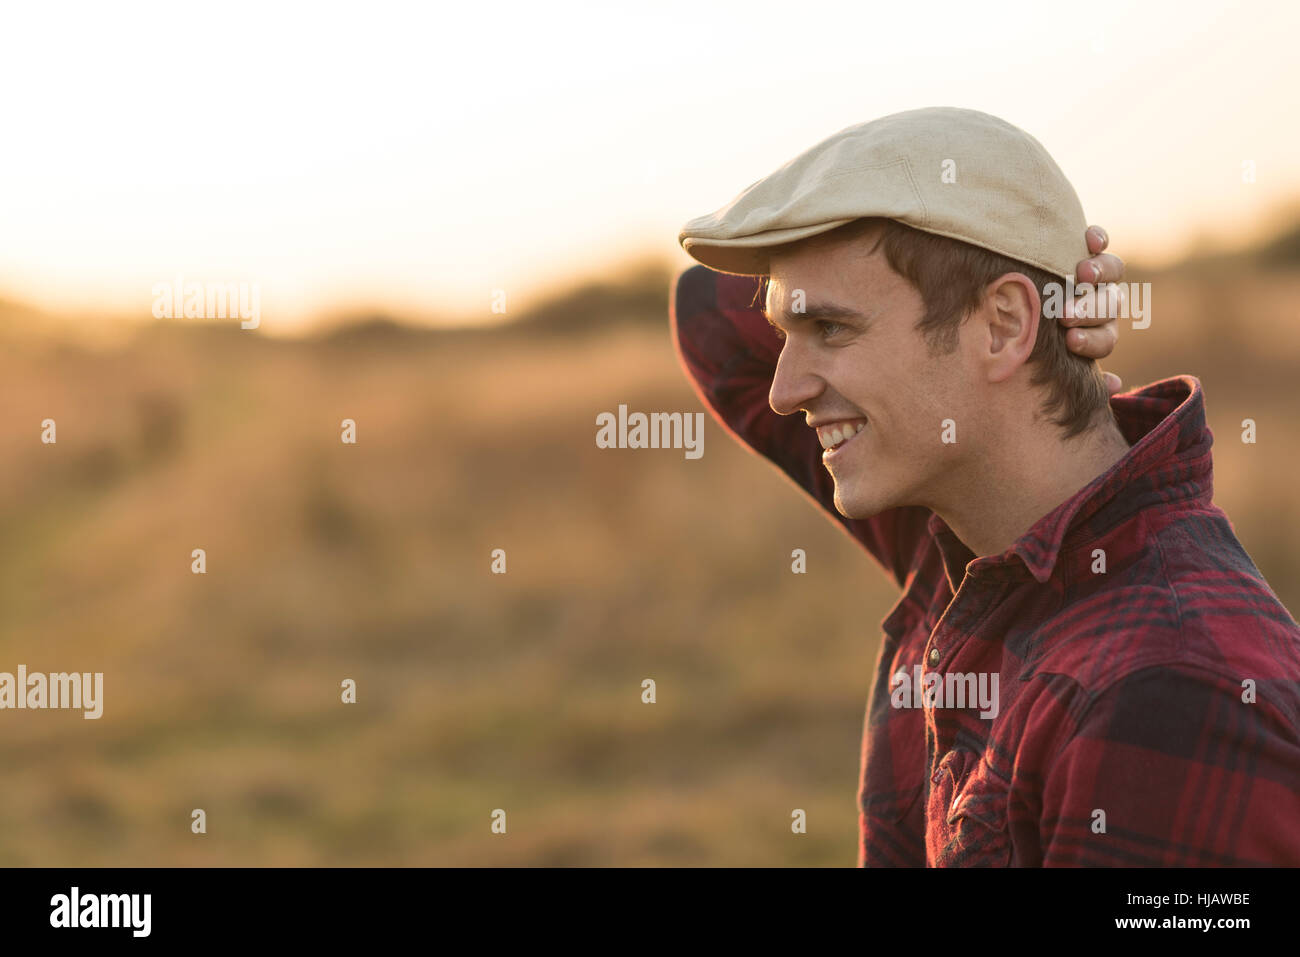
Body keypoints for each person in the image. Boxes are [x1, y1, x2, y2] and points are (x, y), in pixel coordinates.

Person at [671, 107, 1300, 866]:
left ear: (1001, 327)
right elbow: (704, 307)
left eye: (830, 329)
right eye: (784, 331)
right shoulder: (961, 527)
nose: (783, 388)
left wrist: (1042, 273)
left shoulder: (1167, 691)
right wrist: (1047, 263)